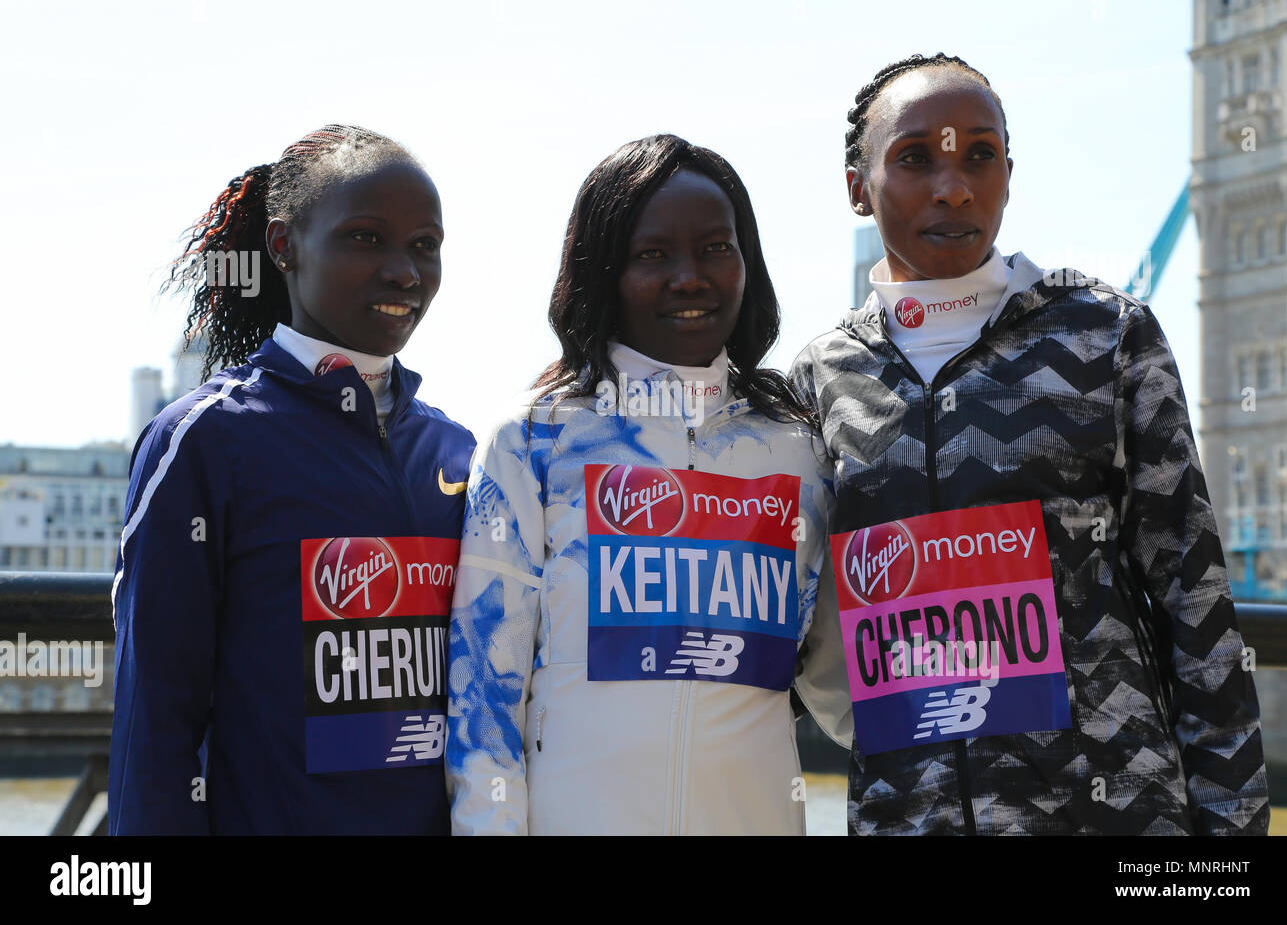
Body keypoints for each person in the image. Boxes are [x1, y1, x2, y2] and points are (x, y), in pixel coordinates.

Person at [790, 53, 1270, 836]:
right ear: (856, 186)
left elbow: (1197, 607)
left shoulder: (1107, 337)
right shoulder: (820, 381)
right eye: (915, 158)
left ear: (1009, 172)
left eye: (980, 154)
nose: (953, 186)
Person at [445, 134, 850, 835]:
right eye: (652, 254)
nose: (688, 277)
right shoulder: (534, 443)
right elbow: (483, 700)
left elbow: (839, 687)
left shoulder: (799, 451)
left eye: (716, 249)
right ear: (602, 272)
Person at [109, 125, 474, 834]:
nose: (404, 270)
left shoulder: (455, 450)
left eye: (424, 245)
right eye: (366, 238)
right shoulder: (203, 440)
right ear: (283, 247)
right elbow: (156, 716)